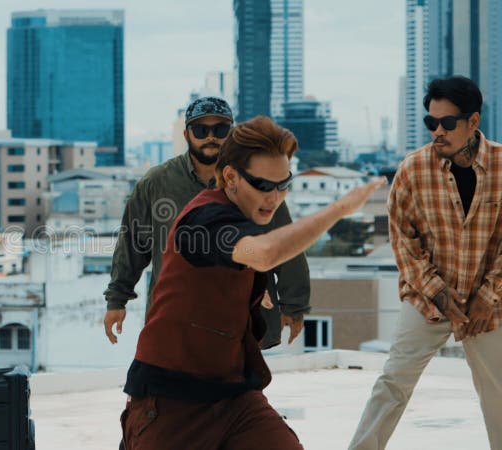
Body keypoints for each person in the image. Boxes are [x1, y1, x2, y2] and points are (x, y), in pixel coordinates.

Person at [119, 116, 384, 449]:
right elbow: (263, 254)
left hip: (234, 398)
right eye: (262, 185)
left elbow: (250, 266)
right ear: (230, 176)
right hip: (171, 401)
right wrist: (341, 209)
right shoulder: (201, 223)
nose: (274, 197)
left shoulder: (248, 218)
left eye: (282, 184)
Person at [349, 76, 502, 450]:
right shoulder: (413, 170)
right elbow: (403, 239)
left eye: (447, 123)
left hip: (488, 303)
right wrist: (437, 291)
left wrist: (490, 293)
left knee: (498, 394)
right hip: (429, 297)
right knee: (393, 383)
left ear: (473, 122)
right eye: (430, 122)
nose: (437, 131)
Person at [104, 96, 309, 349]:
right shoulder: (156, 183)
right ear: (187, 134)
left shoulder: (255, 181)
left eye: (220, 129)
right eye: (201, 130)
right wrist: (117, 300)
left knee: (239, 386)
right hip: (176, 315)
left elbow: (283, 244)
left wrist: (295, 305)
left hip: (242, 318)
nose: (211, 137)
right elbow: (132, 245)